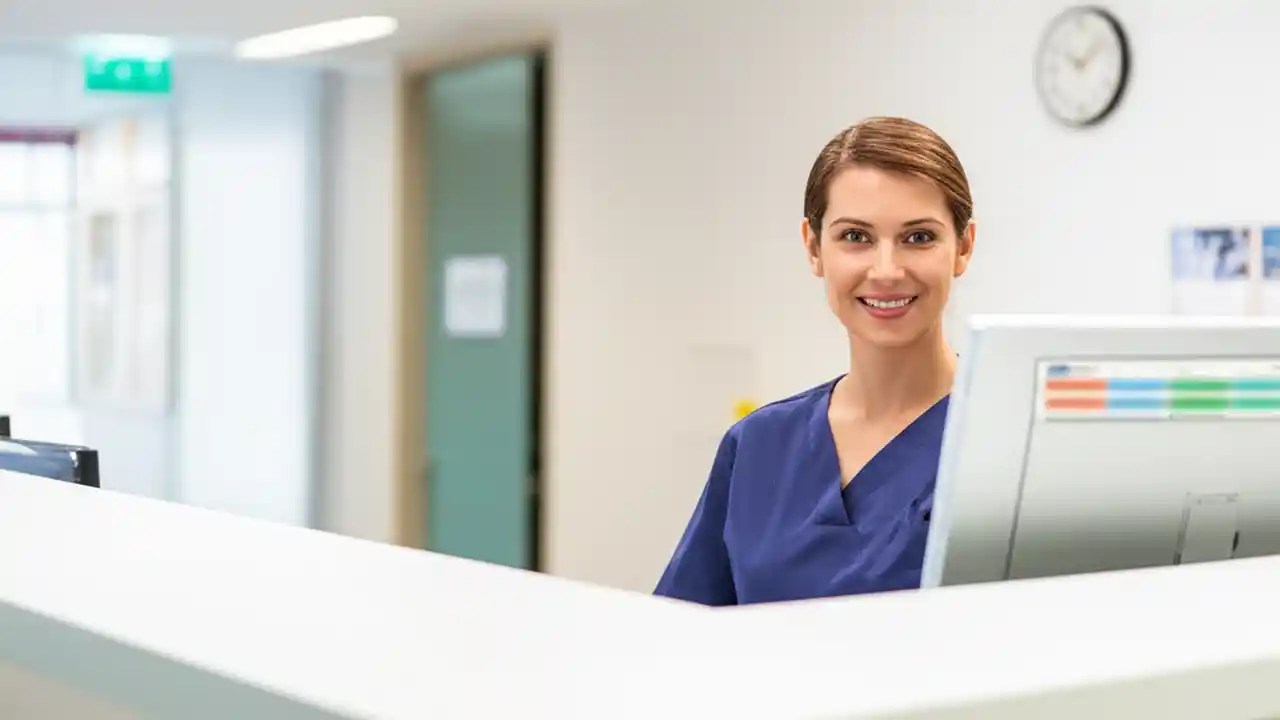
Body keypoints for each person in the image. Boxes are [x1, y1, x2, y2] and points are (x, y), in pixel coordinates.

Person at [654, 116, 976, 606]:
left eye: (918, 238)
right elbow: (678, 629)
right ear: (813, 247)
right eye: (856, 237)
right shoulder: (759, 446)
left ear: (963, 247)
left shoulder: (1006, 440)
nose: (886, 270)